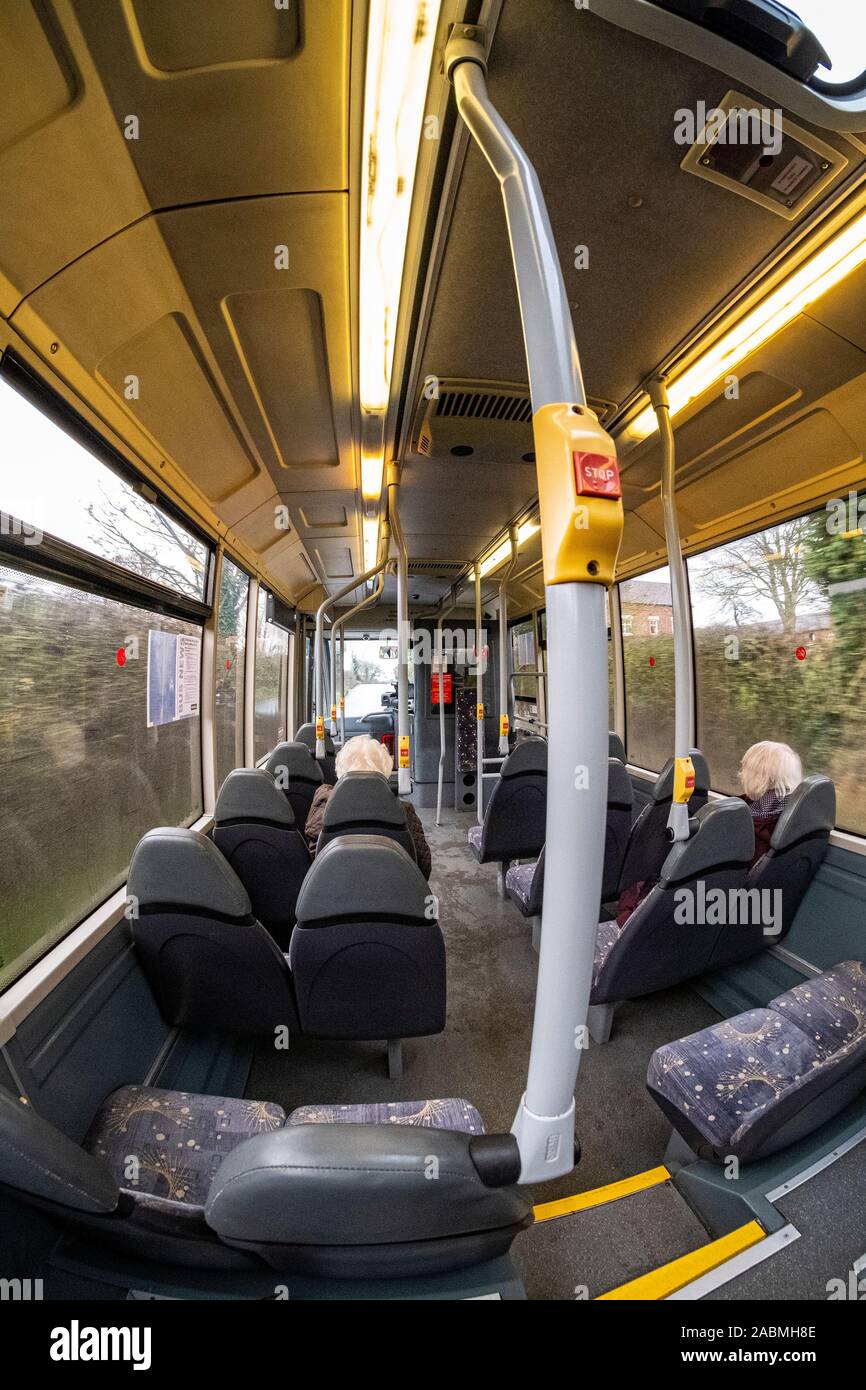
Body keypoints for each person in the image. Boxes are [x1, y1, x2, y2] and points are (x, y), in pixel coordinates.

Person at [614, 740, 802, 928]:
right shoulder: (788, 816)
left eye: (744, 769)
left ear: (758, 776)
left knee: (637, 893)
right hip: (747, 908)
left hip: (712, 903)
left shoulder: (747, 824)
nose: (740, 774)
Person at [303, 734, 432, 878]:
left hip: (332, 893)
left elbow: (313, 861)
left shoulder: (323, 807)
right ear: (385, 773)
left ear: (340, 772)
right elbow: (422, 868)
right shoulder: (403, 812)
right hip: (395, 892)